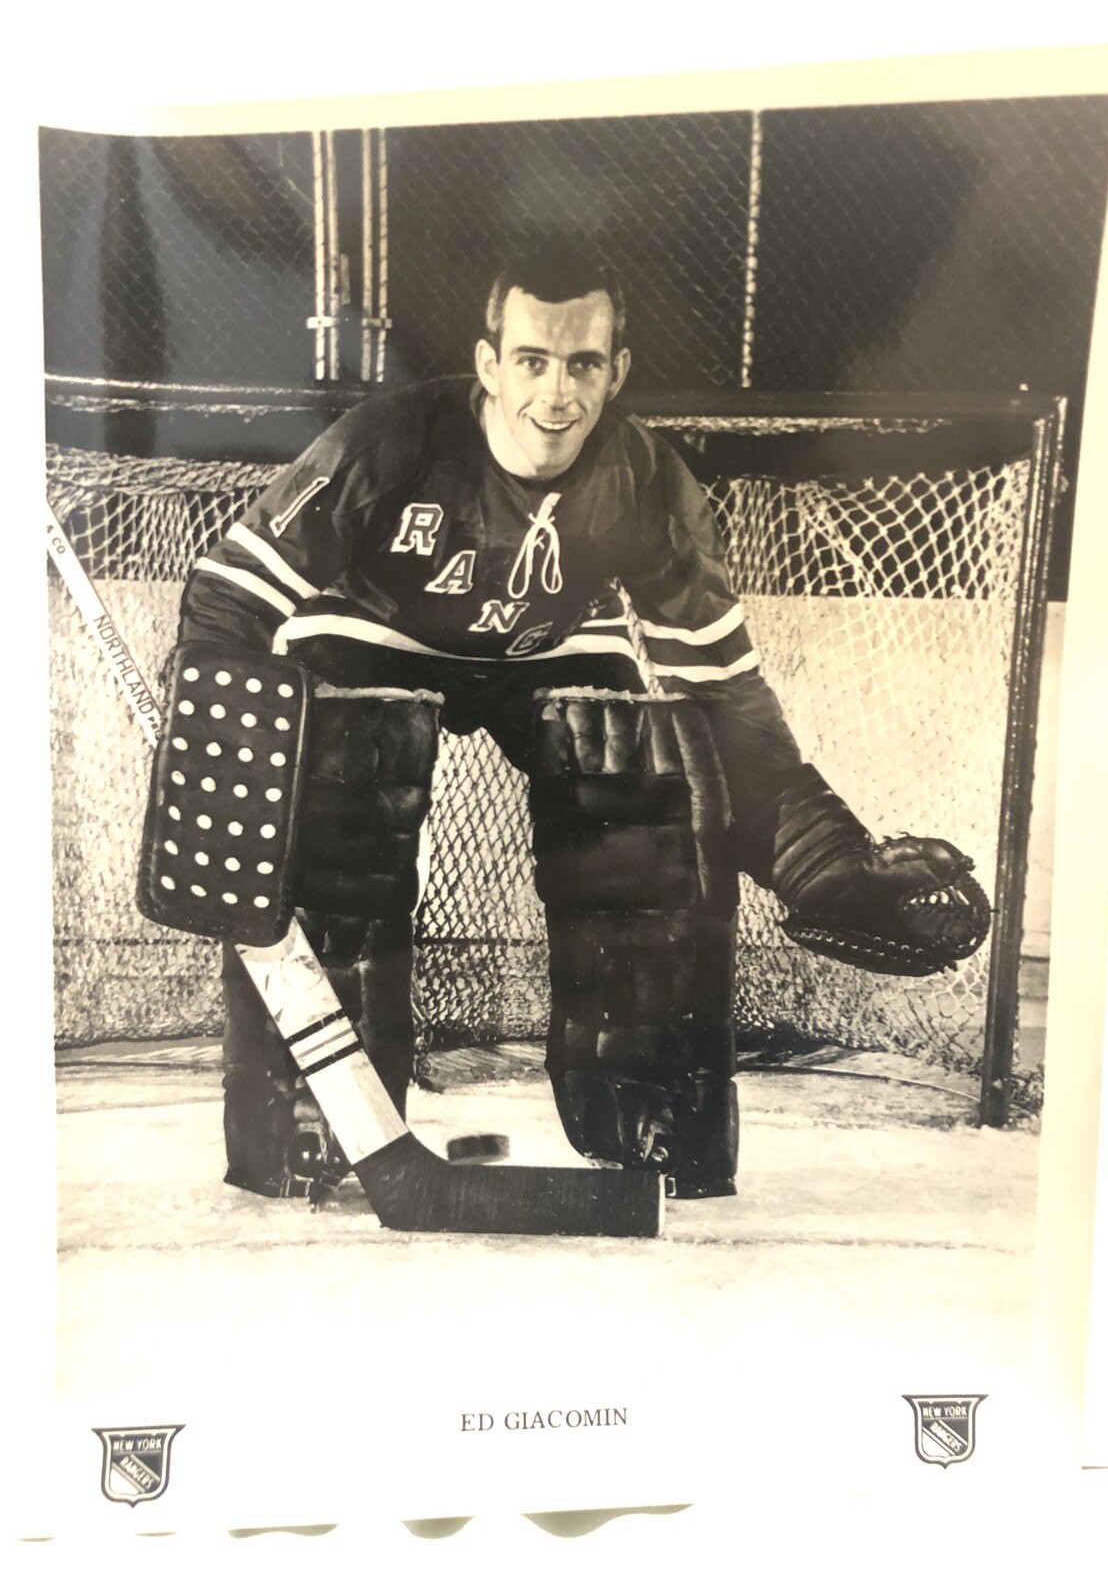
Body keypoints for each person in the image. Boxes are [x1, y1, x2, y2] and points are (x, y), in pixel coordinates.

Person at [173, 238, 987, 1202]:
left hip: (546, 651)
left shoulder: (646, 483)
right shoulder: (386, 440)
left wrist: (821, 856)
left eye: (583, 365)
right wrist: (221, 766)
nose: (555, 395)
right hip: (369, 637)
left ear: (616, 374)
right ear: (488, 364)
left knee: (651, 776)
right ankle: (310, 1124)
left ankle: (645, 1111)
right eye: (531, 361)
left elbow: (722, 694)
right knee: (334, 794)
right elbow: (229, 600)